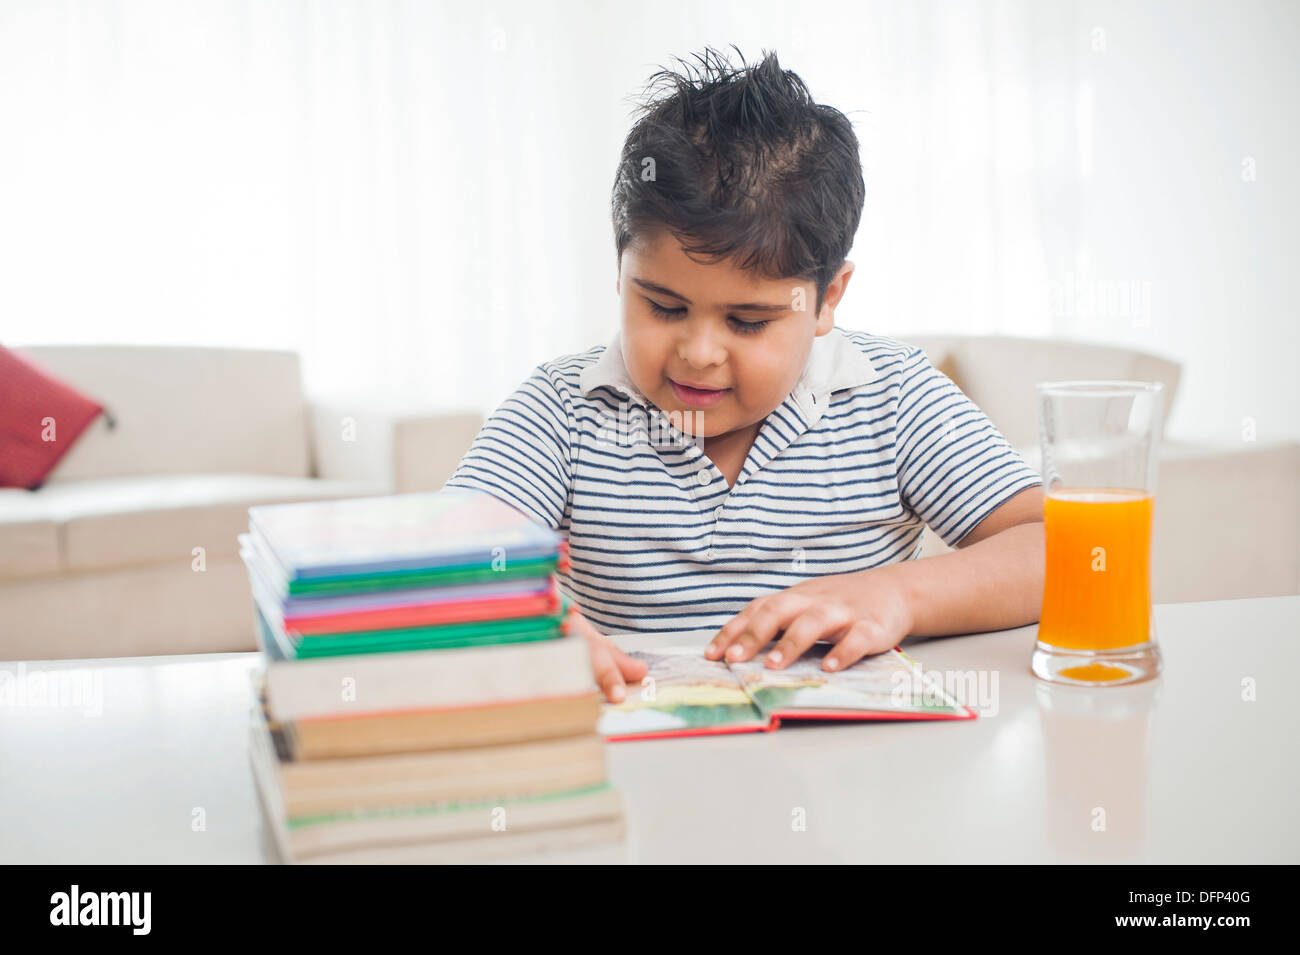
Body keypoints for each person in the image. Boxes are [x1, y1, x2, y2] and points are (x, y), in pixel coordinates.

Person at [446, 45, 1045, 702]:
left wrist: (899, 594)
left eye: (749, 321)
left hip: (849, 758)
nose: (699, 352)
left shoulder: (893, 396)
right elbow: (449, 560)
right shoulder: (563, 409)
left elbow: (1060, 550)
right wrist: (532, 622)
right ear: (620, 272)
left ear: (827, 299)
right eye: (663, 306)